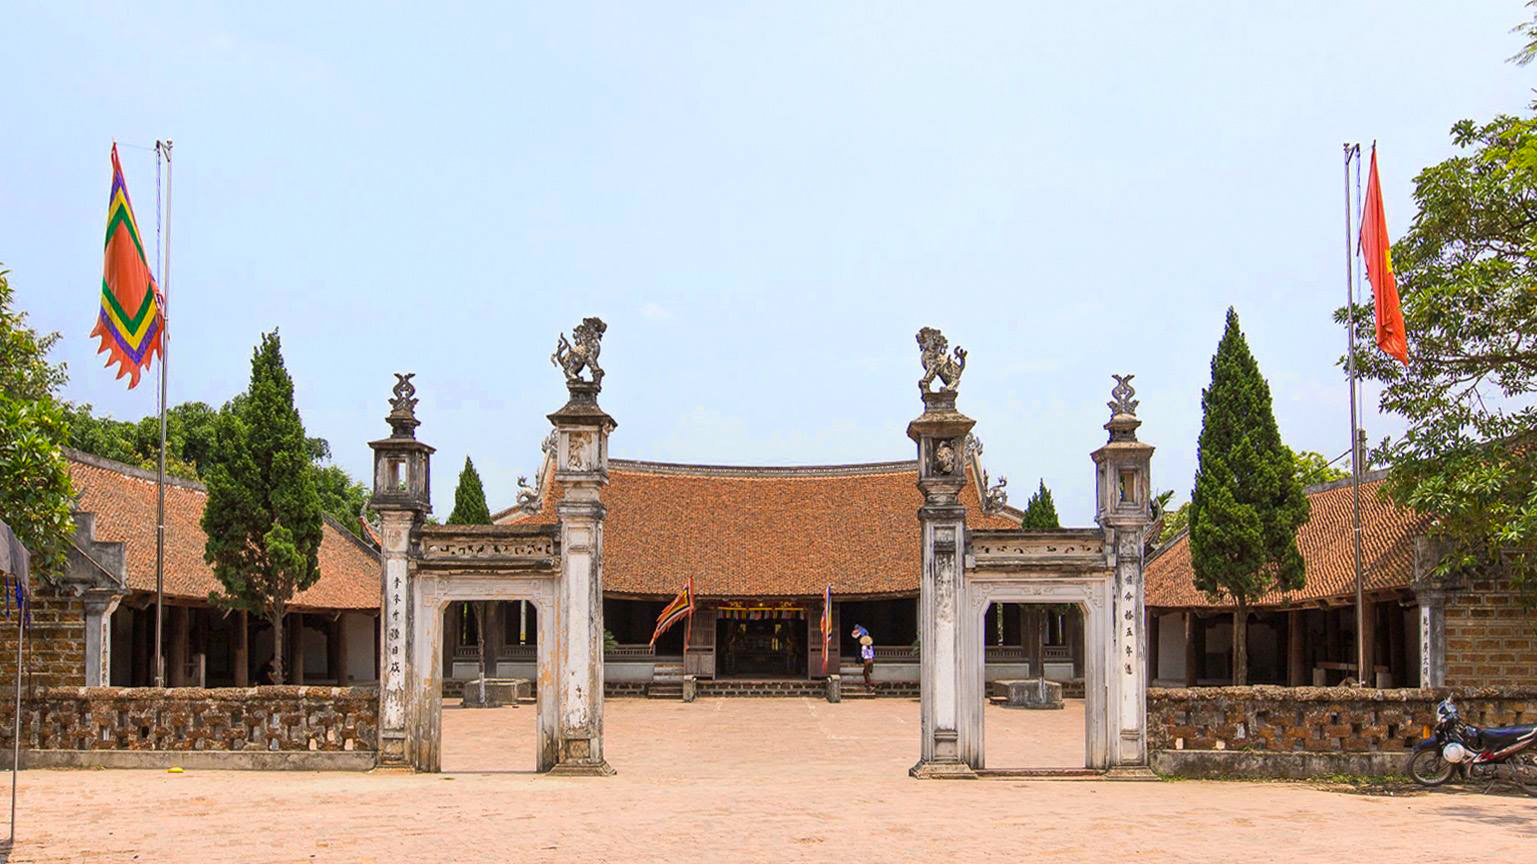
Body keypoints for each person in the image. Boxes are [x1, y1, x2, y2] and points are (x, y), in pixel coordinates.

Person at [851, 624, 875, 691]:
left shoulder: (864, 647)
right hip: (871, 661)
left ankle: (869, 686)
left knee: (866, 674)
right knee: (866, 673)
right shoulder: (871, 647)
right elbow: (872, 655)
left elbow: (863, 655)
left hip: (866, 661)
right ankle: (867, 684)